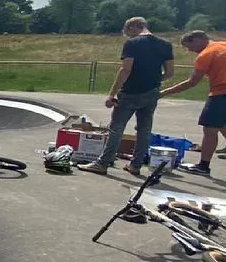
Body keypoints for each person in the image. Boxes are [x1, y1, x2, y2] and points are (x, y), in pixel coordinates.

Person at [76, 17, 174, 176]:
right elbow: (170, 73)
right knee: (144, 130)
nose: (128, 36)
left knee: (116, 129)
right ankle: (135, 165)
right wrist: (154, 79)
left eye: (128, 33)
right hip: (152, 92)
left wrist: (112, 94)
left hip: (130, 92)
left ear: (133, 27)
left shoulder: (133, 43)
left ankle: (102, 163)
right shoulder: (165, 45)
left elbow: (126, 69)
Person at [160, 30, 226, 175]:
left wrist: (165, 92)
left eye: (189, 46)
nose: (189, 51)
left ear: (197, 39)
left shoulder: (206, 54)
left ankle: (203, 166)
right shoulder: (222, 45)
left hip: (221, 93)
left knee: (210, 129)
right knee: (221, 124)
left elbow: (192, 82)